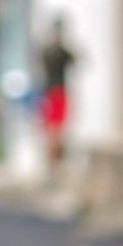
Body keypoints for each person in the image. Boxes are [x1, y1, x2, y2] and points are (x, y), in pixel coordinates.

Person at [39, 16, 77, 165]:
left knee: (52, 126)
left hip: (48, 91)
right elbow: (75, 60)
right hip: (58, 91)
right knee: (57, 127)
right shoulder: (61, 51)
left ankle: (53, 155)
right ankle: (55, 155)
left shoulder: (46, 51)